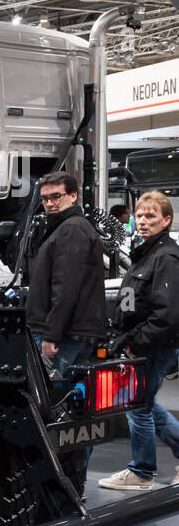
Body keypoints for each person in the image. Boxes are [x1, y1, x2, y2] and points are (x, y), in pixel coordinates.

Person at [99, 191, 179, 492]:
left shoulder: (166, 257)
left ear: (166, 220)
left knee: (138, 407)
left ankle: (142, 472)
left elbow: (167, 314)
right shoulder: (145, 252)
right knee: (145, 404)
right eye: (140, 216)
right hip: (145, 343)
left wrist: (137, 341)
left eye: (151, 216)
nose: (143, 221)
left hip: (155, 346)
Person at [23, 172, 107, 376]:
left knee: (51, 400)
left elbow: (65, 287)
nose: (50, 203)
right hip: (70, 332)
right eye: (45, 198)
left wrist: (51, 335)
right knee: (70, 400)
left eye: (56, 196)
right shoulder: (67, 227)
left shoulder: (71, 229)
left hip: (64, 335)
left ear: (73, 196)